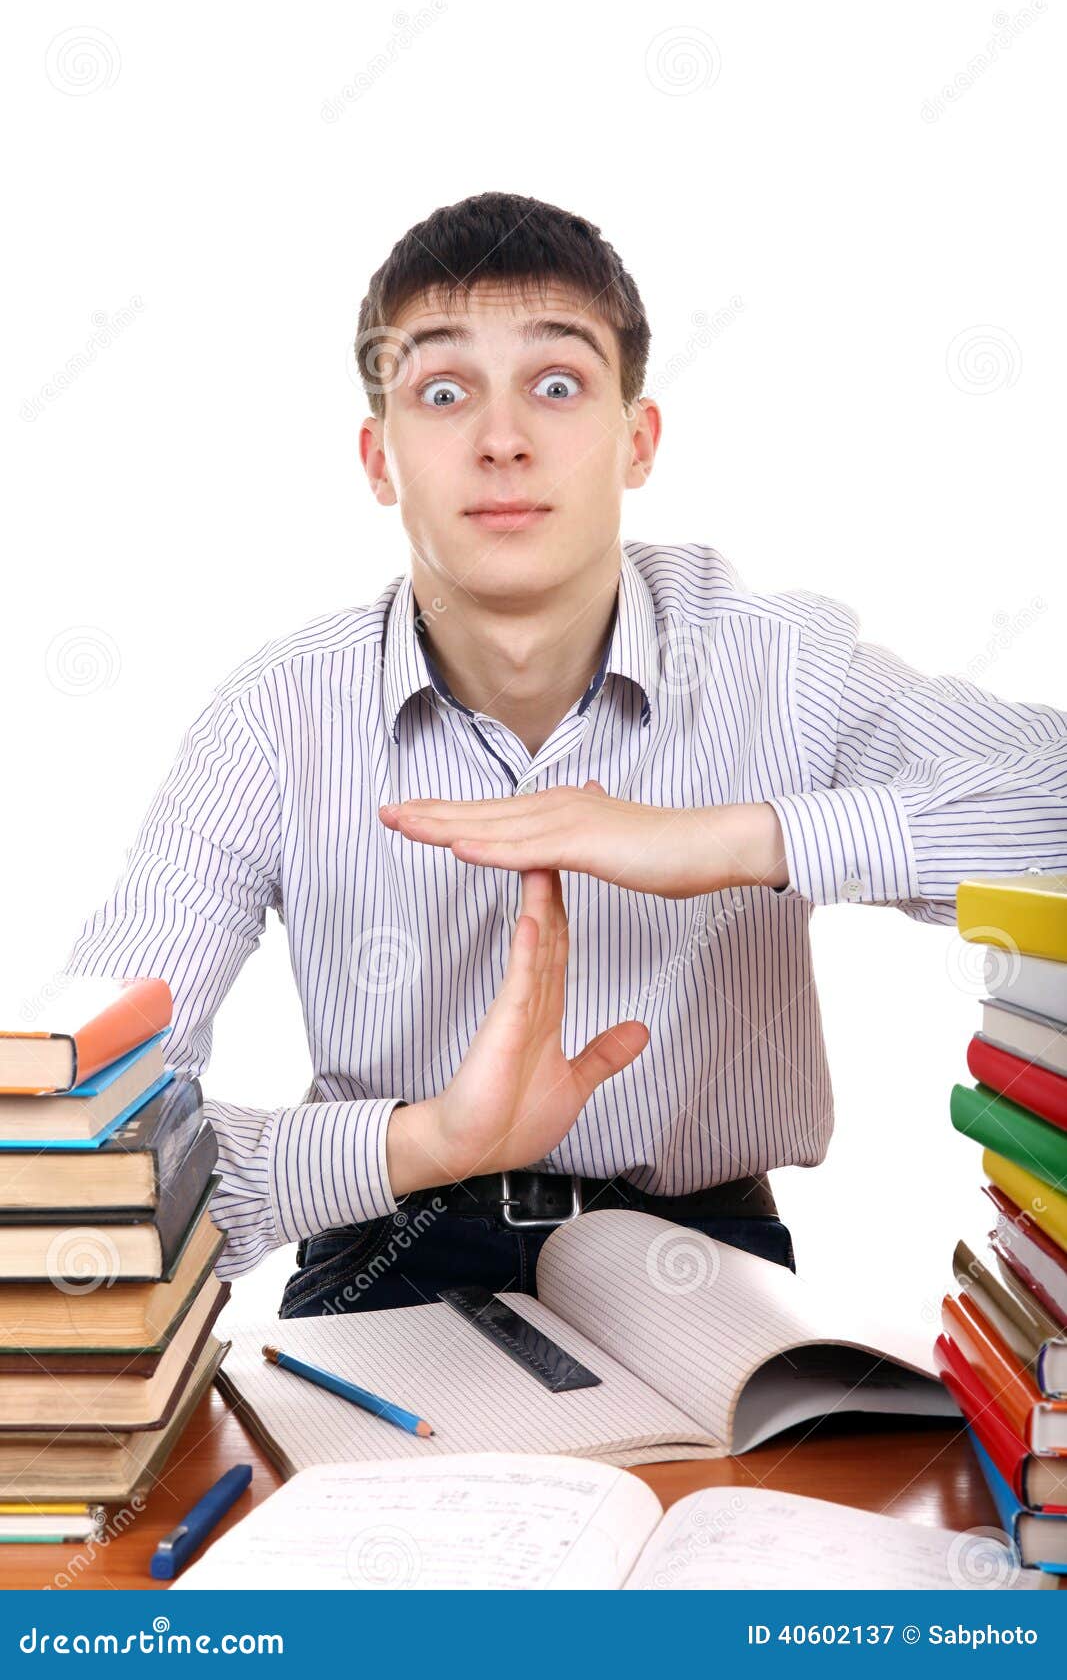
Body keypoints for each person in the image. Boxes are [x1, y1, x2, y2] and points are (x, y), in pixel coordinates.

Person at [60, 192, 1067, 1316]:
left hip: (703, 1256)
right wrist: (420, 1140)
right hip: (386, 1244)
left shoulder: (775, 661)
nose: (502, 439)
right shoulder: (276, 715)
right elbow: (87, 1125)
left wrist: (734, 839)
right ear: (378, 457)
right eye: (443, 393)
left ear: (635, 441)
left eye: (555, 384)